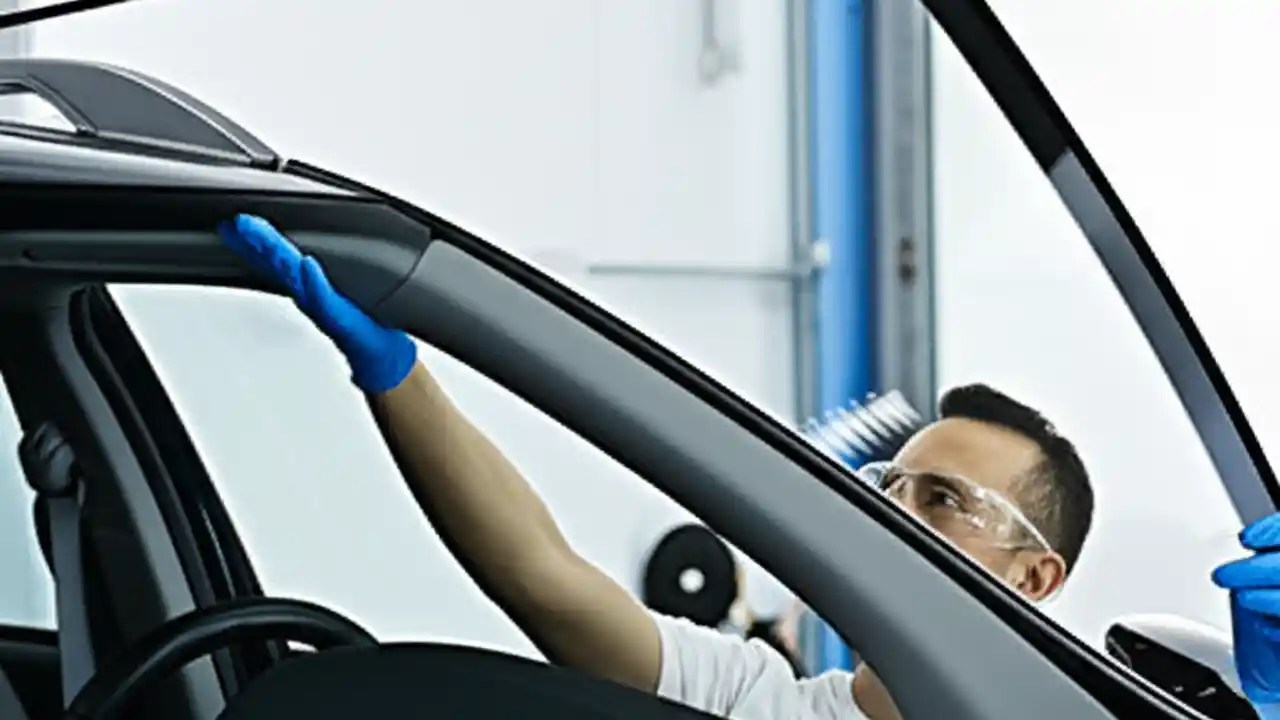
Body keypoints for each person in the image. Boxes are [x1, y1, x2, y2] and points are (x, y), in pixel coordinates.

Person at [216, 214, 1098, 719]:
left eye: (942, 499)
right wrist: (394, 373)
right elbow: (541, 576)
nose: (895, 515)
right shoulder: (755, 701)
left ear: (1033, 577)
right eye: (888, 486)